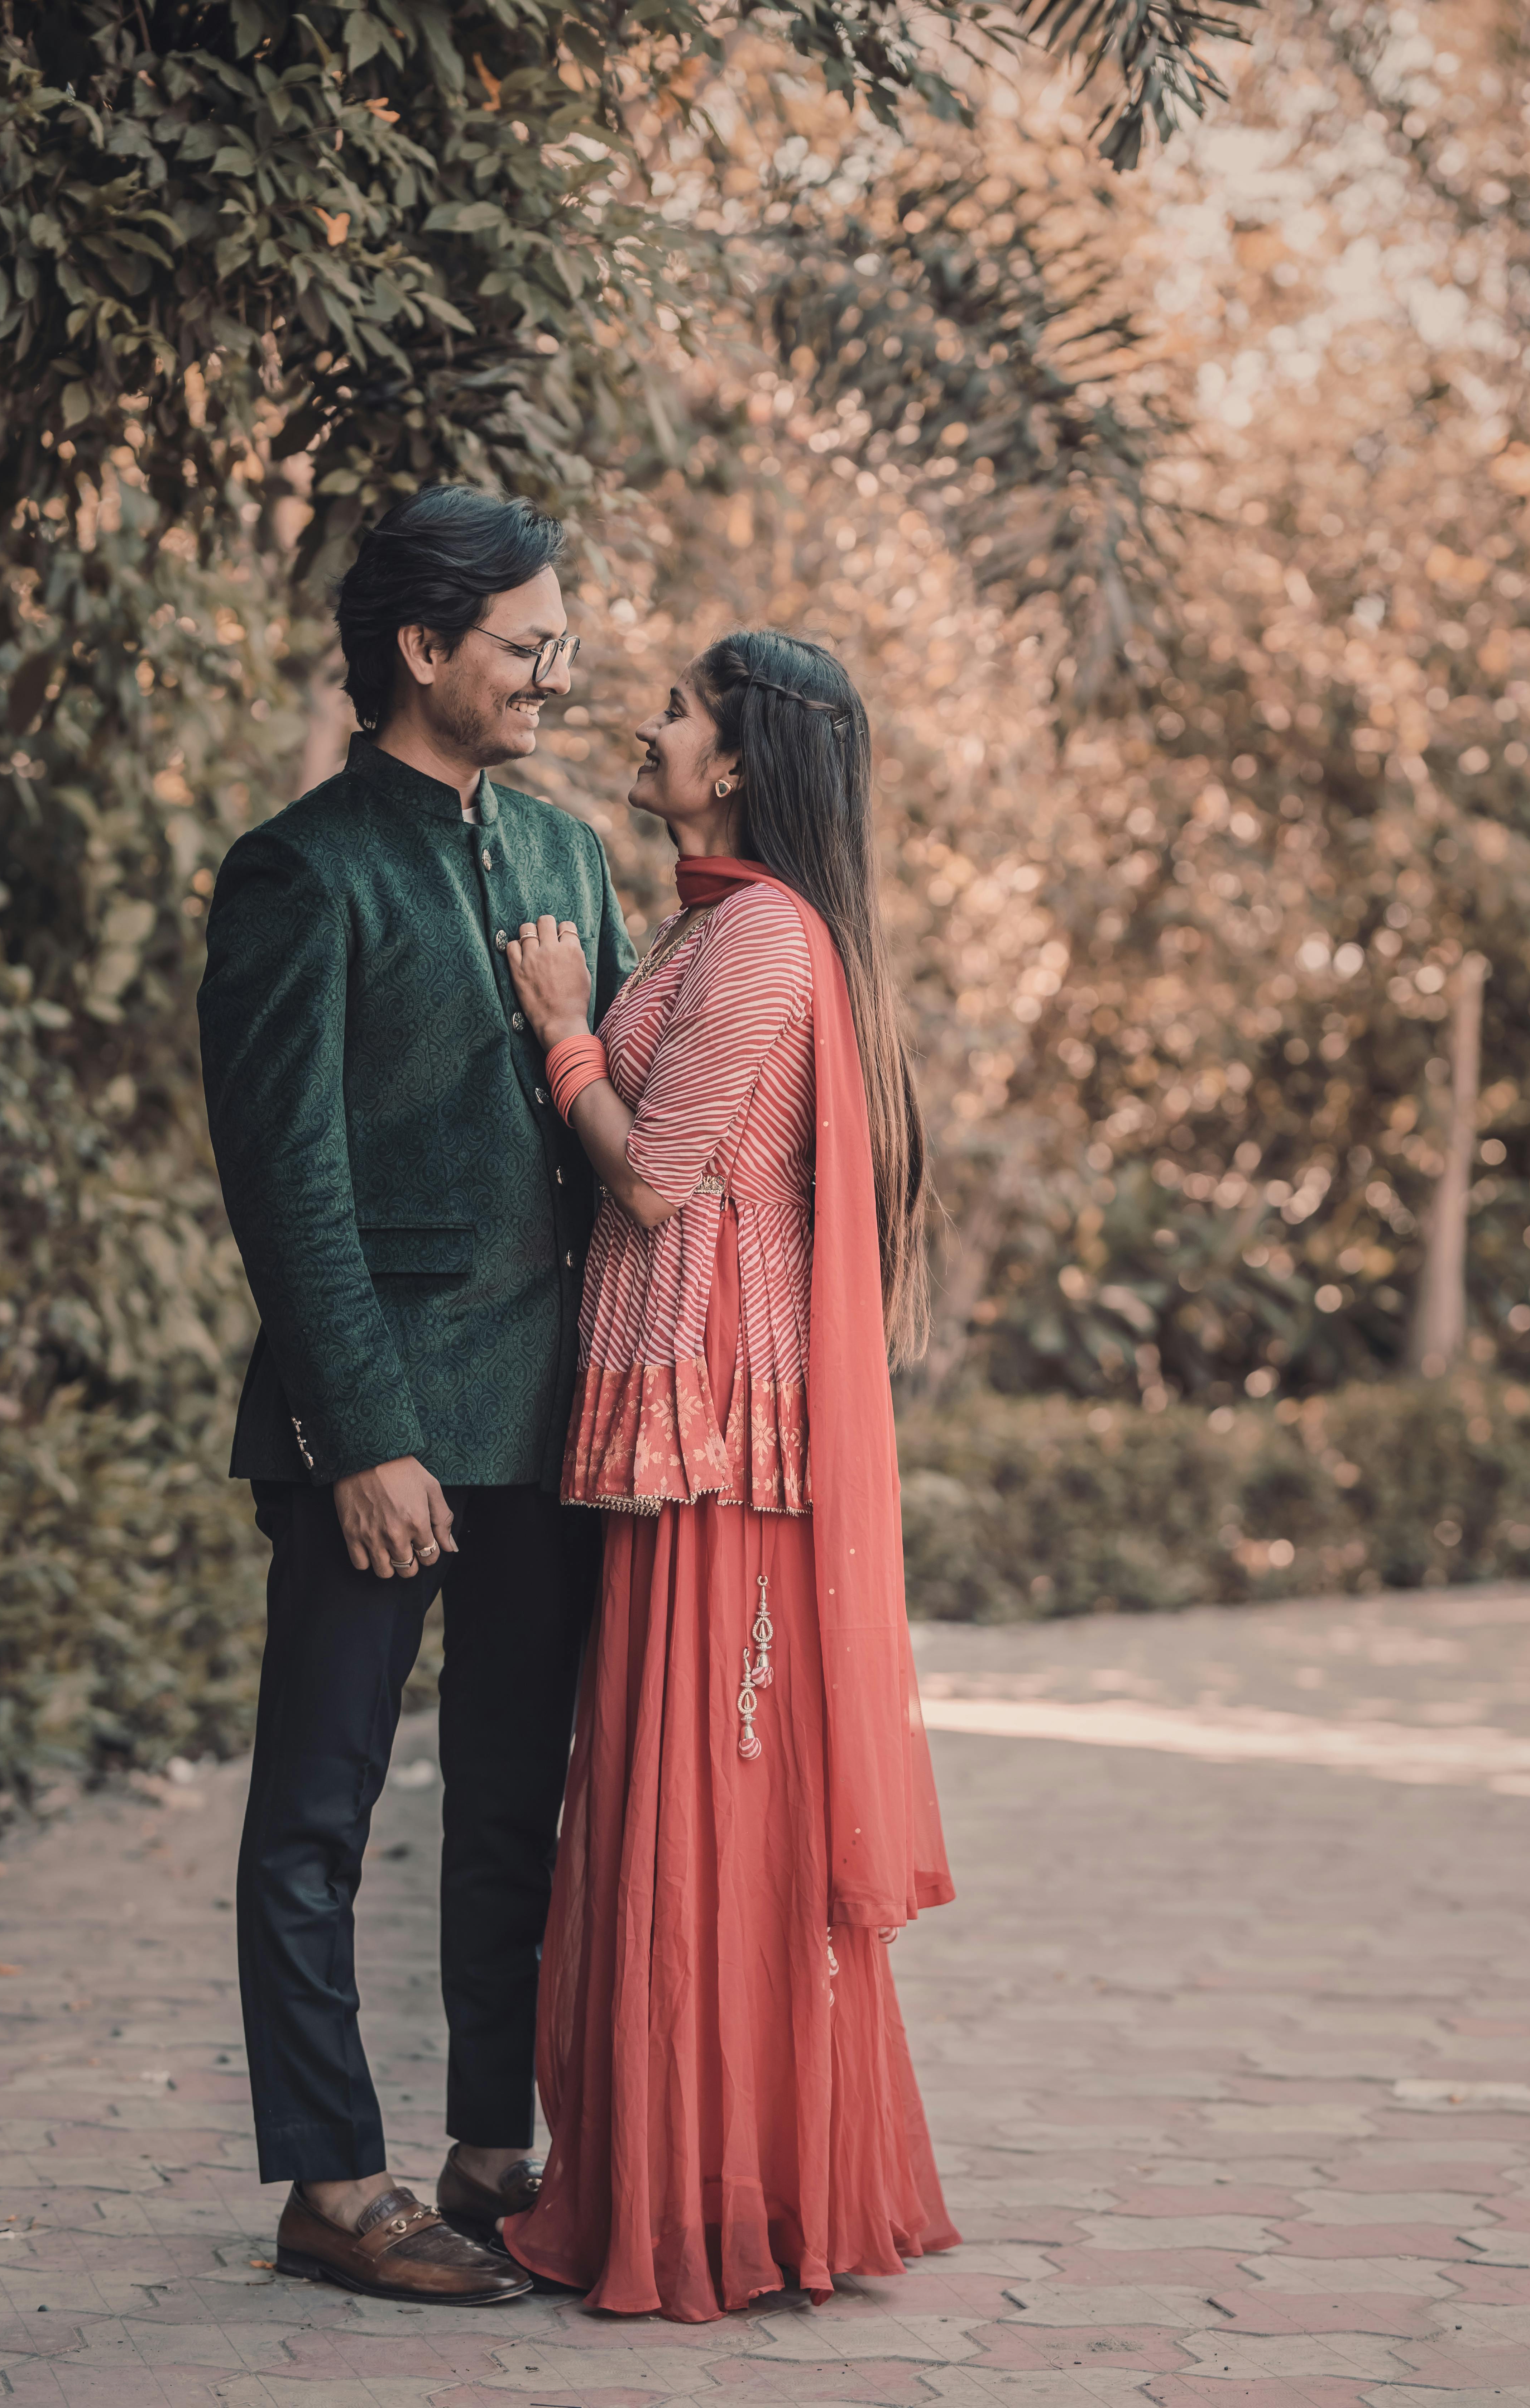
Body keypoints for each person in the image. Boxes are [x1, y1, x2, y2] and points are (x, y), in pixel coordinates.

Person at [197, 484, 634, 2306]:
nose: (556, 672)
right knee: (317, 1809)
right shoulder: (300, 872)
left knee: (512, 1802)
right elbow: (283, 1179)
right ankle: (329, 2178)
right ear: (422, 651)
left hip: (547, 1425)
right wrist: (359, 1430)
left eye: (560, 644)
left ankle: (484, 2149)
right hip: (376, 1430)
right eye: (526, 646)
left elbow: (605, 1129)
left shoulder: (563, 857)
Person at [500, 629, 958, 2322]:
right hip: (678, 1443)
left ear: (746, 756)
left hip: (724, 1459)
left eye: (681, 707)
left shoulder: (762, 941)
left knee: (706, 1821)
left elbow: (654, 1179)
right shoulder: (723, 924)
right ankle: (681, 2176)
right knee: (660, 1809)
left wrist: (560, 1030)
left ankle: (716, 2202)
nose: (649, 718)